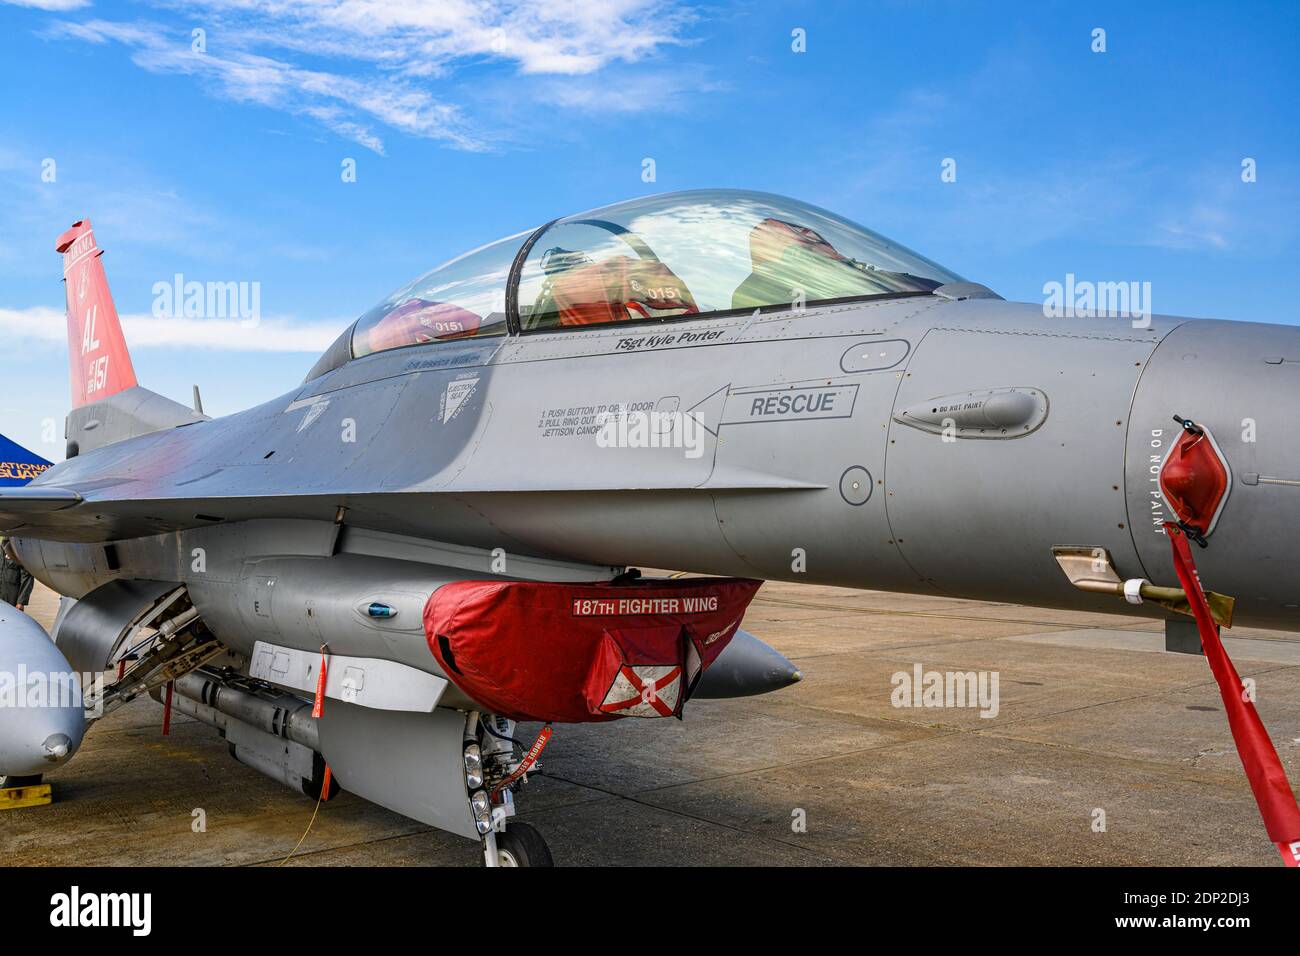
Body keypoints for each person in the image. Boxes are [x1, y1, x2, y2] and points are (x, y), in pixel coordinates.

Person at [1, 537, 34, 612]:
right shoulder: (2, 546)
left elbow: (27, 576)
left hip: (12, 599)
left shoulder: (19, 549)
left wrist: (21, 602)